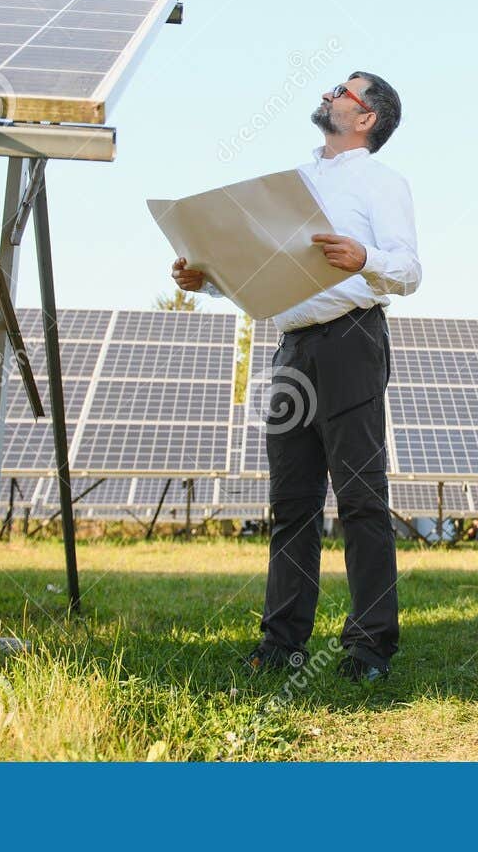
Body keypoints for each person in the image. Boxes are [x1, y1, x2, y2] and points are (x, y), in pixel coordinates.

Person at [172, 71, 420, 682]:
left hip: (351, 339)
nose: (330, 93)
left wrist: (366, 259)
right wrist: (208, 282)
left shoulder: (383, 183)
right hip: (291, 349)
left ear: (366, 118)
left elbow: (410, 270)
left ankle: (369, 649)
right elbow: (265, 278)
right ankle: (282, 643)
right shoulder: (294, 184)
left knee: (360, 501)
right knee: (292, 503)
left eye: (344, 90)